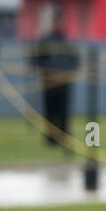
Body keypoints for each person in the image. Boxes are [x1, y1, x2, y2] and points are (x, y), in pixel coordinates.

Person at [32, 10, 80, 146]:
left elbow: (75, 60)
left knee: (63, 111)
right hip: (49, 83)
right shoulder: (45, 41)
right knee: (50, 112)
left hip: (64, 83)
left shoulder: (66, 40)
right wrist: (46, 71)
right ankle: (51, 139)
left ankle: (64, 137)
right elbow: (37, 60)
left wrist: (69, 72)